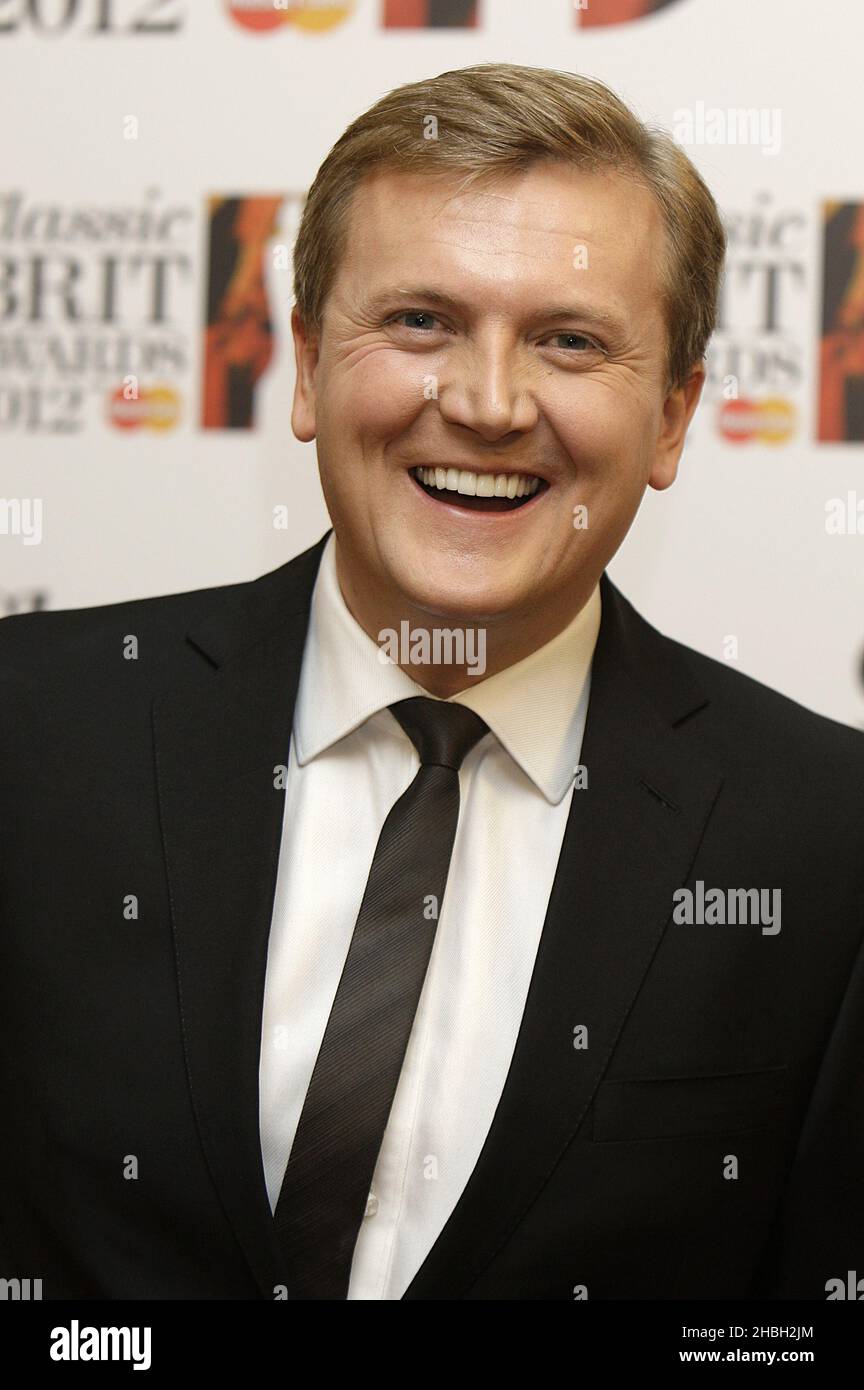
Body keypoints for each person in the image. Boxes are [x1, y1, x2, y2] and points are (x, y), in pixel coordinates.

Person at [1, 63, 862, 1302]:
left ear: (673, 417)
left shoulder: (828, 842)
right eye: (420, 323)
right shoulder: (31, 733)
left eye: (569, 341)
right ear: (304, 366)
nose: (488, 403)